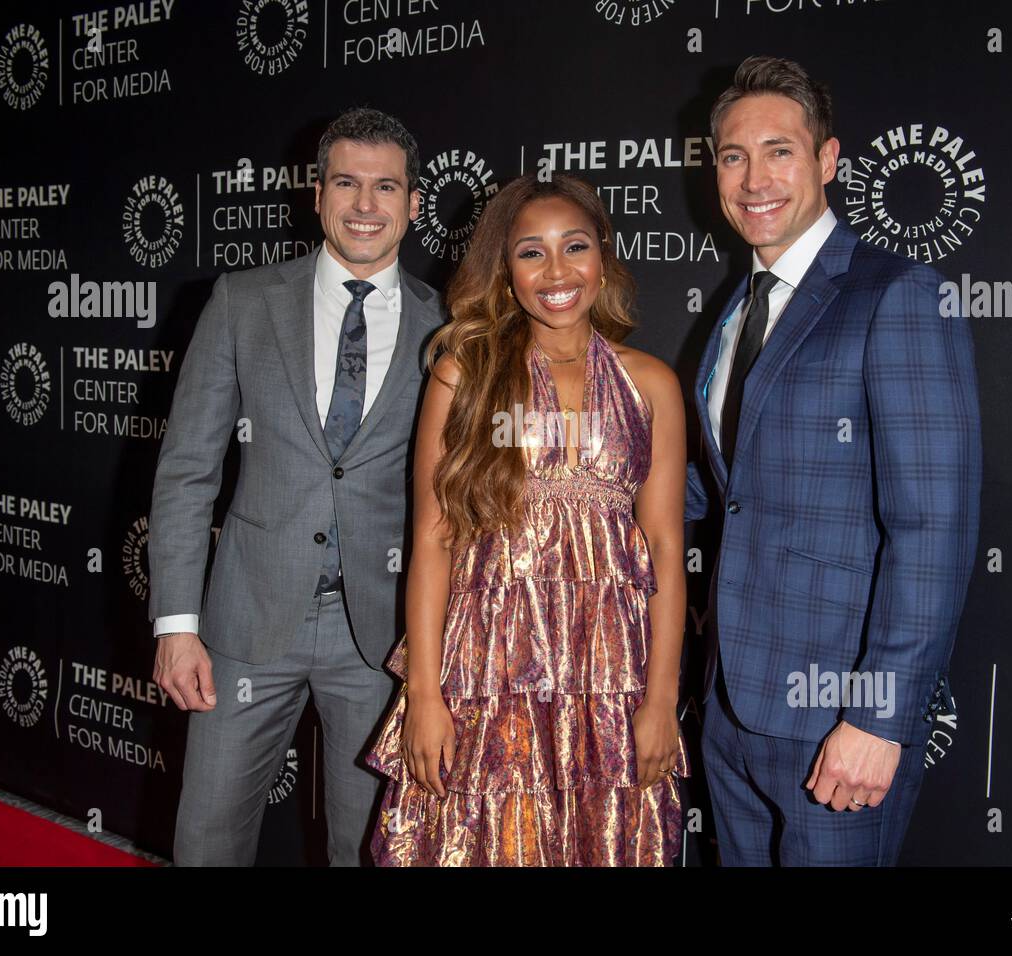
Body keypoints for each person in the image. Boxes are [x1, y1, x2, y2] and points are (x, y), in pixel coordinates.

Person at [687, 55, 981, 866]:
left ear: (827, 160)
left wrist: (879, 719)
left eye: (779, 151)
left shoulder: (897, 295)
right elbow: (716, 489)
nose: (754, 179)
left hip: (839, 720)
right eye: (734, 157)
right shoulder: (737, 307)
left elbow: (933, 529)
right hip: (729, 708)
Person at [365, 173, 690, 866]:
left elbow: (664, 545)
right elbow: (432, 535)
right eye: (530, 253)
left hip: (609, 676)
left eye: (574, 246)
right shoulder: (466, 373)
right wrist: (424, 693)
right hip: (487, 671)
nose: (556, 272)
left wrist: (661, 699)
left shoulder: (651, 383)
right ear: (505, 272)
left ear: (603, 254)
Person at [148, 107, 445, 865]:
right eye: (346, 183)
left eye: (386, 187)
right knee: (207, 841)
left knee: (371, 848)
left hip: (383, 643)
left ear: (414, 205)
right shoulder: (243, 303)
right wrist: (176, 624)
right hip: (242, 629)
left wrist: (439, 646)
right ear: (316, 195)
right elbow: (187, 469)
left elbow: (457, 500)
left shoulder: (447, 326)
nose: (365, 206)